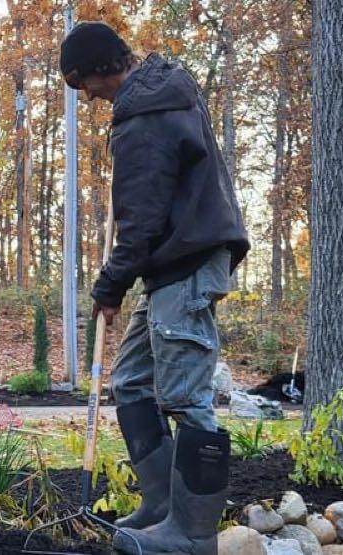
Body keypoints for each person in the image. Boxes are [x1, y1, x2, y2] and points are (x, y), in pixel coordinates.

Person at [59, 22, 250, 555]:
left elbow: (141, 219)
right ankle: (163, 507)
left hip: (185, 260)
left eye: (83, 83)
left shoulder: (145, 119)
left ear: (102, 66)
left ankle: (193, 535)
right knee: (134, 382)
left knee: (187, 398)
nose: (88, 96)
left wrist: (109, 286)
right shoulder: (162, 96)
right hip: (172, 265)